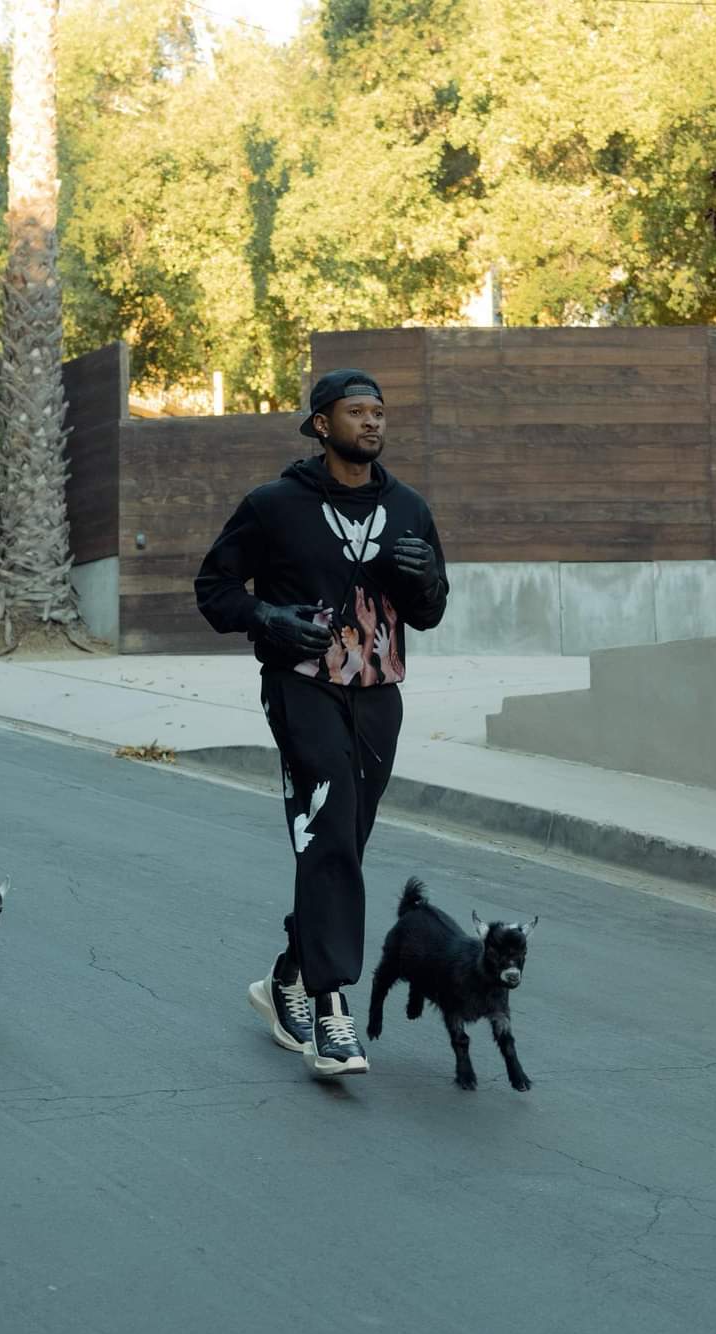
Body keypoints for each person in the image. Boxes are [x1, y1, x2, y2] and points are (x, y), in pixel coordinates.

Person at [194, 369, 449, 1077]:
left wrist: (426, 579)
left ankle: (286, 975)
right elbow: (214, 588)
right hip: (300, 686)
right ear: (320, 424)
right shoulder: (274, 505)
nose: (372, 422)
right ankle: (330, 1011)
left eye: (379, 412)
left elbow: (431, 611)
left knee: (342, 844)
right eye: (356, 411)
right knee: (331, 831)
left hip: (379, 695)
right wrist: (266, 617)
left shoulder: (408, 508)